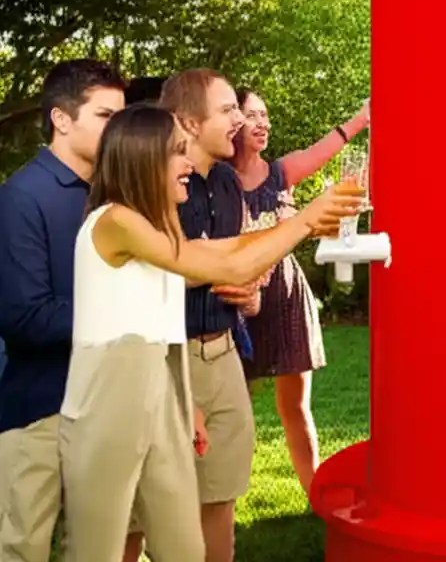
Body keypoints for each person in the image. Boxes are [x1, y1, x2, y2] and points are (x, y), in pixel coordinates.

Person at [59, 103, 362, 561]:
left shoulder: (154, 229)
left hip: (160, 409)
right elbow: (226, 265)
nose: (189, 166)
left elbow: (228, 248)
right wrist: (303, 222)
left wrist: (184, 403)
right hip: (106, 419)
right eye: (178, 154)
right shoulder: (115, 223)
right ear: (144, 159)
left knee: (184, 549)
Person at [0, 60, 140, 561]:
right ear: (61, 119)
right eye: (105, 115)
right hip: (40, 410)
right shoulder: (21, 197)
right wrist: (124, 311)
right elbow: (24, 318)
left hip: (106, 406)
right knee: (22, 550)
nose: (116, 129)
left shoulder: (114, 196)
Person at [230, 88, 369, 493]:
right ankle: (222, 495)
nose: (264, 123)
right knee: (232, 408)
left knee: (295, 407)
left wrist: (362, 118)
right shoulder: (215, 181)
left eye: (266, 115)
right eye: (253, 115)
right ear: (233, 122)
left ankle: (316, 494)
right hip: (238, 302)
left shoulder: (280, 173)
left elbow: (324, 150)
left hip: (286, 296)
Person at [157, 68, 257, 562]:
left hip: (223, 354)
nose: (238, 119)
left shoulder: (227, 182)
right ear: (187, 123)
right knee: (146, 512)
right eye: (226, 110)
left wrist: (248, 290)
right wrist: (211, 261)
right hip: (165, 361)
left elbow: (227, 265)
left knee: (222, 497)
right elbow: (159, 271)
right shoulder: (150, 182)